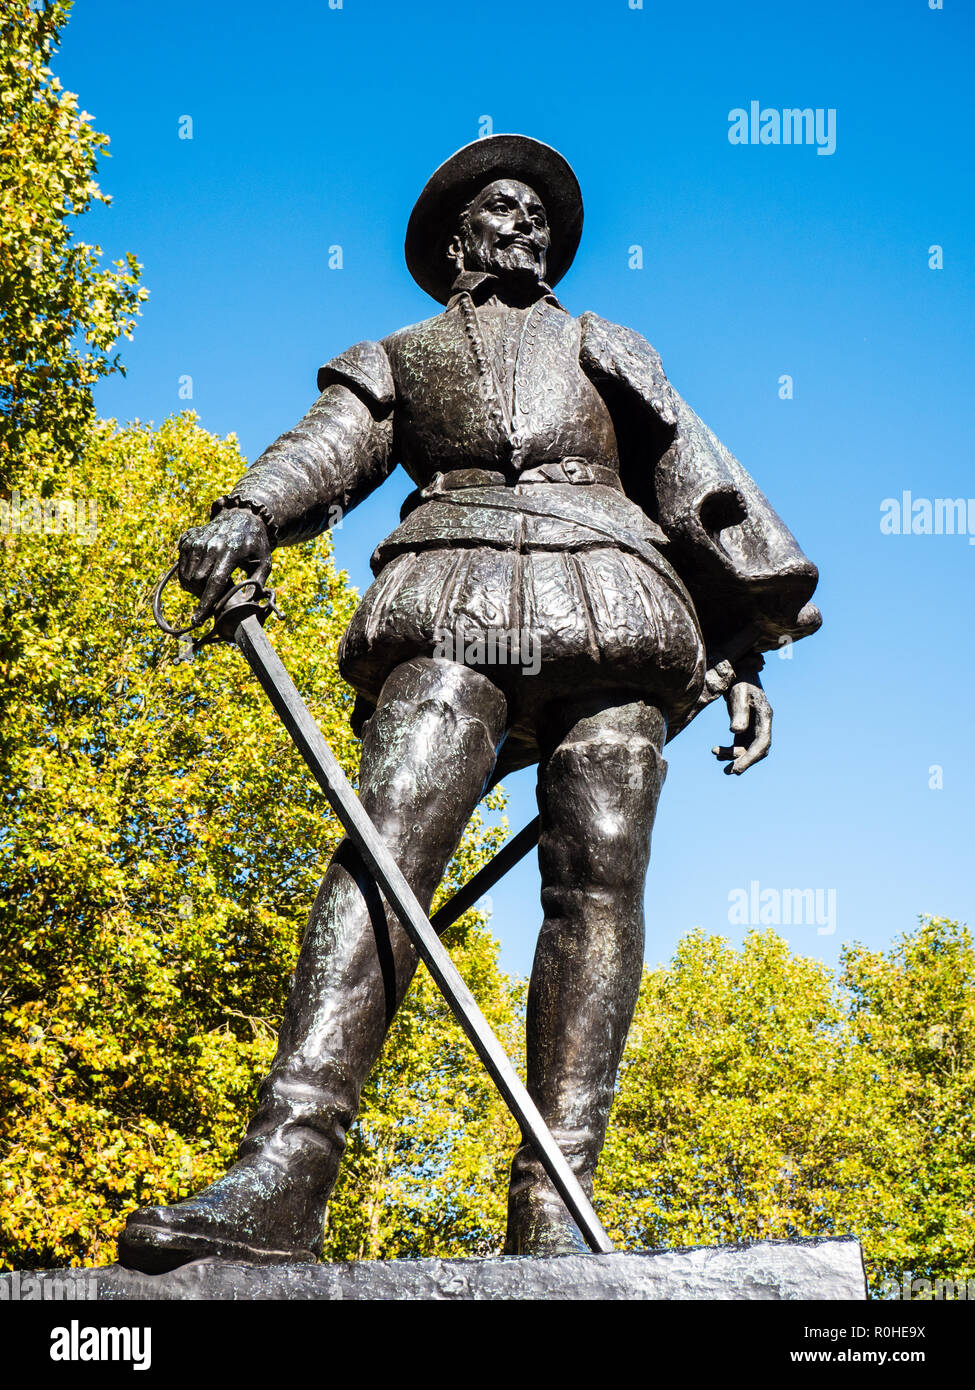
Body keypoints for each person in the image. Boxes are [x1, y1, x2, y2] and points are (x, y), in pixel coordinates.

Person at [119, 135, 820, 1271]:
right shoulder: (402, 352)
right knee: (385, 848)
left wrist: (744, 645)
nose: (525, 226)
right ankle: (285, 1171)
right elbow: (330, 449)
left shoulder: (609, 345)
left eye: (539, 215)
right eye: (501, 209)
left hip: (618, 605)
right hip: (453, 592)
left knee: (599, 877)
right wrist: (248, 512)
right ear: (457, 238)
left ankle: (554, 1197)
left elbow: (701, 480)